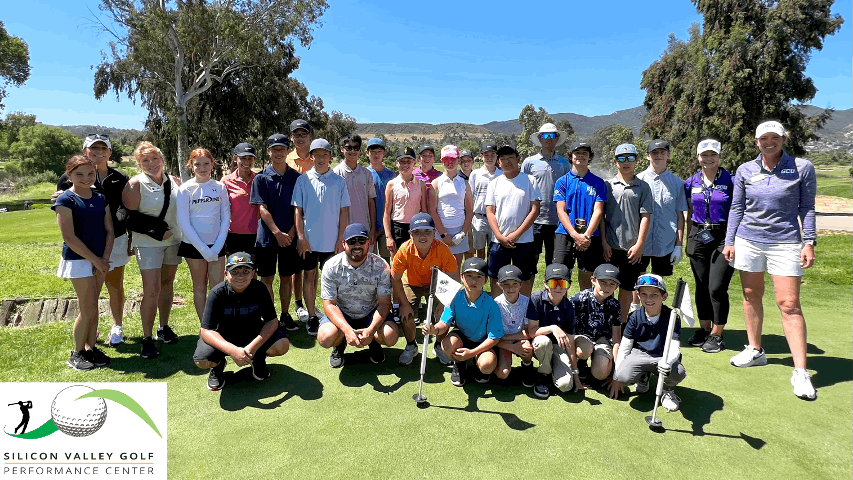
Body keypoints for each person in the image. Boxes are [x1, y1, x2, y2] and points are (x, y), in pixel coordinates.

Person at [723, 121, 817, 400]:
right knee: (751, 294)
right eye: (764, 138)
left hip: (786, 242)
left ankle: (801, 371)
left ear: (783, 139)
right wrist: (730, 241)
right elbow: (737, 207)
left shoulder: (801, 167)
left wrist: (809, 241)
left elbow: (807, 207)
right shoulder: (745, 170)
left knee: (789, 304)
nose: (769, 142)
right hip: (748, 239)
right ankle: (755, 350)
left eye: (775, 137)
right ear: (756, 142)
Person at [53, 134, 129, 348]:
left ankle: (117, 326)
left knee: (115, 285)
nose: (99, 152)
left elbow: (127, 208)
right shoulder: (68, 179)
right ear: (84, 151)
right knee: (90, 295)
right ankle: (88, 333)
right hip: (85, 244)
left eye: (103, 148)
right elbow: (66, 213)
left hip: (114, 239)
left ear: (110, 153)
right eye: (93, 148)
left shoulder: (119, 177)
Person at [192, 253, 290, 391]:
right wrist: (233, 351)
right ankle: (218, 366)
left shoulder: (260, 288)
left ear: (253, 273)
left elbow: (272, 321)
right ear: (226, 274)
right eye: (234, 272)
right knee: (202, 361)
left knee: (282, 345)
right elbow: (206, 331)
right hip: (224, 337)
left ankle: (257, 358)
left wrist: (251, 349)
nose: (240, 276)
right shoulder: (216, 293)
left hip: (252, 334)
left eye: (246, 271)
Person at [54, 155, 115, 370]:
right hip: (78, 260)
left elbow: (110, 231)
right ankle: (77, 353)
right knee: (87, 309)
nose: (86, 178)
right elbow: (69, 237)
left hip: (100, 260)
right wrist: (96, 261)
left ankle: (90, 349)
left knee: (93, 307)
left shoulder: (100, 197)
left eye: (90, 173)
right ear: (69, 175)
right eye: (79, 174)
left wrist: (104, 259)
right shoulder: (65, 200)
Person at [123, 141, 182, 359]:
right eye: (145, 160)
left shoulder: (174, 181)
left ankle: (163, 327)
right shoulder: (135, 184)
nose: (151, 163)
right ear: (139, 163)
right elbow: (129, 218)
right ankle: (147, 337)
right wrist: (155, 232)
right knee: (151, 289)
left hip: (173, 241)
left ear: (162, 160)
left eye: (155, 158)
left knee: (167, 284)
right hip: (148, 244)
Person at [292, 138, 351, 336]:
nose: (321, 158)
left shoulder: (339, 181)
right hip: (309, 241)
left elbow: (344, 212)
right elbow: (298, 211)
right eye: (317, 155)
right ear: (311, 157)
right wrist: (301, 238)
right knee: (309, 277)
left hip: (333, 242)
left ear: (330, 157)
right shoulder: (303, 180)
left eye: (324, 154)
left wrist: (341, 239)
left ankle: (332, 316)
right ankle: (312, 316)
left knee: (332, 280)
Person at [318, 223, 396, 368]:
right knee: (325, 337)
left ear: (369, 243)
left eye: (361, 240)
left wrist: (371, 330)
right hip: (343, 314)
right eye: (352, 241)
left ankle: (373, 342)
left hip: (371, 313)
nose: (357, 245)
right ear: (344, 244)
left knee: (390, 336)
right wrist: (347, 330)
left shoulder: (381, 266)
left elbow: (384, 303)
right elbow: (329, 304)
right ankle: (340, 344)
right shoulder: (331, 267)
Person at [684, 139, 735, 354]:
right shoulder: (691, 182)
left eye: (713, 154)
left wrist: (733, 240)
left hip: (723, 236)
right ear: (698, 157)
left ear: (719, 156)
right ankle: (705, 329)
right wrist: (688, 239)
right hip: (699, 235)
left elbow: (738, 210)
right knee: (701, 285)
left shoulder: (731, 180)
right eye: (704, 155)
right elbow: (689, 211)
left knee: (716, 287)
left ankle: (717, 334)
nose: (708, 158)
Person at [424, 257, 503, 386]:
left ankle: (477, 364)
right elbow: (444, 323)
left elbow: (494, 338)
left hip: (483, 341)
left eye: (479, 277)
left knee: (487, 365)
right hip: (462, 337)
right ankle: (459, 362)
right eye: (469, 276)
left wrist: (471, 353)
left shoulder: (492, 305)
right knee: (447, 345)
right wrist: (434, 329)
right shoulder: (454, 298)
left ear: (485, 280)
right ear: (462, 277)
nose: (473, 281)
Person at [391, 213, 457, 365]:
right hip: (411, 283)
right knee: (406, 314)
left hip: (437, 283)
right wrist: (404, 304)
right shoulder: (404, 250)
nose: (422, 236)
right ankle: (411, 345)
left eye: (427, 232)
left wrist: (444, 303)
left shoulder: (442, 249)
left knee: (444, 314)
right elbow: (395, 278)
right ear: (410, 234)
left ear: (434, 233)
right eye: (417, 232)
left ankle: (439, 346)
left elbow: (453, 278)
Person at [612, 274, 686, 412]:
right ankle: (643, 377)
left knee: (679, 372)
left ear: (664, 297)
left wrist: (668, 362)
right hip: (640, 354)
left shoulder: (672, 316)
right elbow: (625, 347)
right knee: (622, 376)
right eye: (644, 294)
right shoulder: (634, 317)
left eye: (654, 295)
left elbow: (675, 347)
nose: (648, 299)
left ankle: (668, 390)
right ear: (638, 295)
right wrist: (617, 376)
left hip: (663, 356)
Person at [250, 135, 302, 331]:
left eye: (282, 149)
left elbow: (299, 208)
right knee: (267, 279)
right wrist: (277, 233)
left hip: (289, 237)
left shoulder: (296, 178)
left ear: (288, 151)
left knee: (287, 277)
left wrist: (290, 233)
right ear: (268, 152)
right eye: (274, 149)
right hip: (267, 238)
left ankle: (285, 315)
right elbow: (261, 208)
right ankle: (270, 318)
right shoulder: (261, 178)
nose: (278, 153)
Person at [177, 148, 230, 321]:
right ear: (191, 166)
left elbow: (225, 218)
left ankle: (218, 324)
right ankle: (205, 326)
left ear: (212, 164)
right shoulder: (185, 189)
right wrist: (203, 250)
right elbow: (183, 222)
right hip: (193, 246)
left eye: (206, 164)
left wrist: (216, 247)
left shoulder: (220, 187)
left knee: (218, 287)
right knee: (199, 287)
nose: (202, 168)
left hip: (216, 245)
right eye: (197, 164)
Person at [602, 143, 653, 324]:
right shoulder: (608, 185)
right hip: (610, 247)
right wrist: (604, 242)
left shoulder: (643, 187)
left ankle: (622, 324)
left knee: (626, 288)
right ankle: (606, 324)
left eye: (630, 158)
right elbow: (601, 217)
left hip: (632, 249)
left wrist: (639, 245)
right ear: (615, 161)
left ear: (636, 161)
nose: (626, 162)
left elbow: (645, 217)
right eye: (621, 159)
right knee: (607, 287)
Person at [635, 139, 687, 312]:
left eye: (662, 152)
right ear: (647, 156)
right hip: (640, 242)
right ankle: (635, 312)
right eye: (654, 153)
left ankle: (654, 315)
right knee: (637, 279)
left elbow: (680, 216)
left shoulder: (678, 183)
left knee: (658, 281)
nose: (658, 156)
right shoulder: (638, 180)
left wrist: (678, 245)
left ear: (668, 155)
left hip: (665, 242)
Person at [486, 145, 541, 297]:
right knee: (496, 278)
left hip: (524, 240)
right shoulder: (494, 183)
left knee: (524, 278)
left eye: (510, 157)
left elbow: (535, 210)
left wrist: (516, 234)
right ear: (498, 162)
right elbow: (490, 212)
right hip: (498, 241)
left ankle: (523, 309)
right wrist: (499, 236)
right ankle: (497, 309)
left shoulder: (530, 180)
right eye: (503, 158)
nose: (507, 161)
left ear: (518, 159)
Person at [554, 141, 606, 290]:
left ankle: (585, 304)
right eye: (577, 153)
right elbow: (561, 211)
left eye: (585, 153)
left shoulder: (598, 182)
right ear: (571, 156)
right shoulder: (562, 181)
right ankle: (560, 304)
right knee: (560, 275)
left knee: (587, 275)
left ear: (590, 157)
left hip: (590, 235)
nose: (581, 156)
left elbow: (598, 211)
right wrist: (575, 235)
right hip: (565, 233)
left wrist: (586, 236)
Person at [521, 123, 571, 267]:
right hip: (534, 219)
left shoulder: (564, 163)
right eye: (545, 135)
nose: (549, 138)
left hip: (557, 220)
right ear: (540, 139)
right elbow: (523, 190)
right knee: (531, 259)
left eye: (553, 135)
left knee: (554, 260)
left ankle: (552, 283)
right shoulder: (529, 162)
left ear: (557, 139)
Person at [529, 264, 581, 399]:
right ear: (546, 284)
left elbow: (570, 342)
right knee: (543, 341)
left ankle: (552, 368)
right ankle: (544, 376)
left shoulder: (569, 307)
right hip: (539, 344)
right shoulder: (536, 299)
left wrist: (575, 374)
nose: (558, 288)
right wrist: (553, 328)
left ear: (568, 286)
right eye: (553, 283)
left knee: (566, 385)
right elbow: (532, 332)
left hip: (558, 347)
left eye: (563, 283)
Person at [569, 263, 622, 391]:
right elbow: (568, 331)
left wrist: (616, 374)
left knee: (601, 373)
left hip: (603, 340)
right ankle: (580, 365)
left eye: (612, 284)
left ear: (617, 286)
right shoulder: (578, 299)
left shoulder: (615, 305)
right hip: (582, 338)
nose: (607, 287)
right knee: (583, 350)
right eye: (603, 282)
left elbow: (616, 340)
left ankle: (597, 366)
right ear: (593, 280)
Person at [429, 145, 473, 271]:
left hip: (459, 232)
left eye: (453, 159)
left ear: (458, 160)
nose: (450, 162)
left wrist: (463, 233)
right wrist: (443, 234)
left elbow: (469, 210)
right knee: (440, 269)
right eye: (446, 159)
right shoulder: (436, 183)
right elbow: (432, 211)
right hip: (441, 233)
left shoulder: (464, 183)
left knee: (455, 268)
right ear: (442, 161)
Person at [286, 119, 314, 323]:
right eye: (296, 134)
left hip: (315, 219)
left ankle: (311, 301)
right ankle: (298, 303)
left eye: (304, 134)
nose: (300, 137)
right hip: (292, 218)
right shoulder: (286, 159)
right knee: (296, 266)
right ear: (291, 137)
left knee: (312, 266)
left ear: (310, 136)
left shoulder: (317, 157)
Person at [493, 265, 535, 384]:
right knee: (503, 374)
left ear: (520, 284)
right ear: (500, 285)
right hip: (502, 342)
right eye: (506, 284)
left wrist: (510, 340)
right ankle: (494, 366)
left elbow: (528, 332)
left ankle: (527, 366)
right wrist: (510, 346)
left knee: (527, 348)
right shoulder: (495, 304)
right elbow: (494, 335)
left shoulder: (527, 302)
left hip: (517, 338)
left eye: (515, 284)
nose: (511, 288)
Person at [383, 147, 428, 258]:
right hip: (397, 228)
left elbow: (424, 210)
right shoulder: (392, 184)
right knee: (397, 261)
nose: (405, 165)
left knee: (416, 260)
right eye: (402, 162)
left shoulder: (421, 184)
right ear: (397, 163)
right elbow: (387, 213)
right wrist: (389, 237)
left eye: (408, 161)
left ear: (414, 163)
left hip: (415, 227)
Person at [334, 134, 376, 241]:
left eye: (356, 148)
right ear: (342, 149)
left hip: (364, 227)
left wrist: (372, 228)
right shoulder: (336, 173)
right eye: (349, 148)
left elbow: (371, 202)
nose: (352, 151)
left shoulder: (366, 174)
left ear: (360, 150)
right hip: (343, 230)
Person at [222, 142, 259, 257]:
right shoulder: (226, 181)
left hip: (256, 233)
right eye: (243, 158)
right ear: (235, 158)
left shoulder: (259, 179)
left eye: (250, 158)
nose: (247, 162)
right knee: (235, 267)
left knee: (253, 267)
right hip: (233, 234)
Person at [468, 142, 502, 260]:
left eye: (492, 155)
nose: (489, 158)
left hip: (497, 218)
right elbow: (470, 197)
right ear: (481, 156)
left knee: (495, 251)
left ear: (497, 156)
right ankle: (481, 271)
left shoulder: (502, 174)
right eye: (486, 155)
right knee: (480, 252)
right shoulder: (475, 174)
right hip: (479, 218)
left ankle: (492, 272)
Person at [366, 138, 396, 264]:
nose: (376, 155)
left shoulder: (391, 175)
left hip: (387, 226)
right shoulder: (364, 173)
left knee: (387, 260)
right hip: (368, 225)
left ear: (384, 153)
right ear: (367, 153)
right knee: (368, 260)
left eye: (379, 152)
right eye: (373, 152)